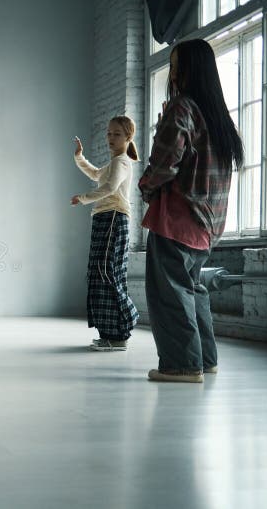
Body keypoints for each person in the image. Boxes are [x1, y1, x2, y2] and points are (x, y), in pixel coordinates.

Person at [139, 39, 243, 383]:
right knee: (193, 288)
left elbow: (165, 162)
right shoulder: (219, 118)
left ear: (192, 69)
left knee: (169, 292)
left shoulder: (182, 107)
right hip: (208, 225)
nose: (172, 73)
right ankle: (205, 359)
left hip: (178, 219)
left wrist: (146, 187)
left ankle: (182, 365)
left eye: (175, 65)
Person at [71, 116, 140, 351]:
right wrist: (79, 157)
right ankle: (110, 333)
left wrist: (82, 198)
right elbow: (96, 174)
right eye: (109, 133)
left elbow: (109, 188)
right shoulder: (114, 163)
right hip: (104, 218)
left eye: (117, 134)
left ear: (128, 137)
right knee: (99, 274)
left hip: (113, 217)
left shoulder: (122, 162)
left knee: (107, 272)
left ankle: (121, 331)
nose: (111, 137)